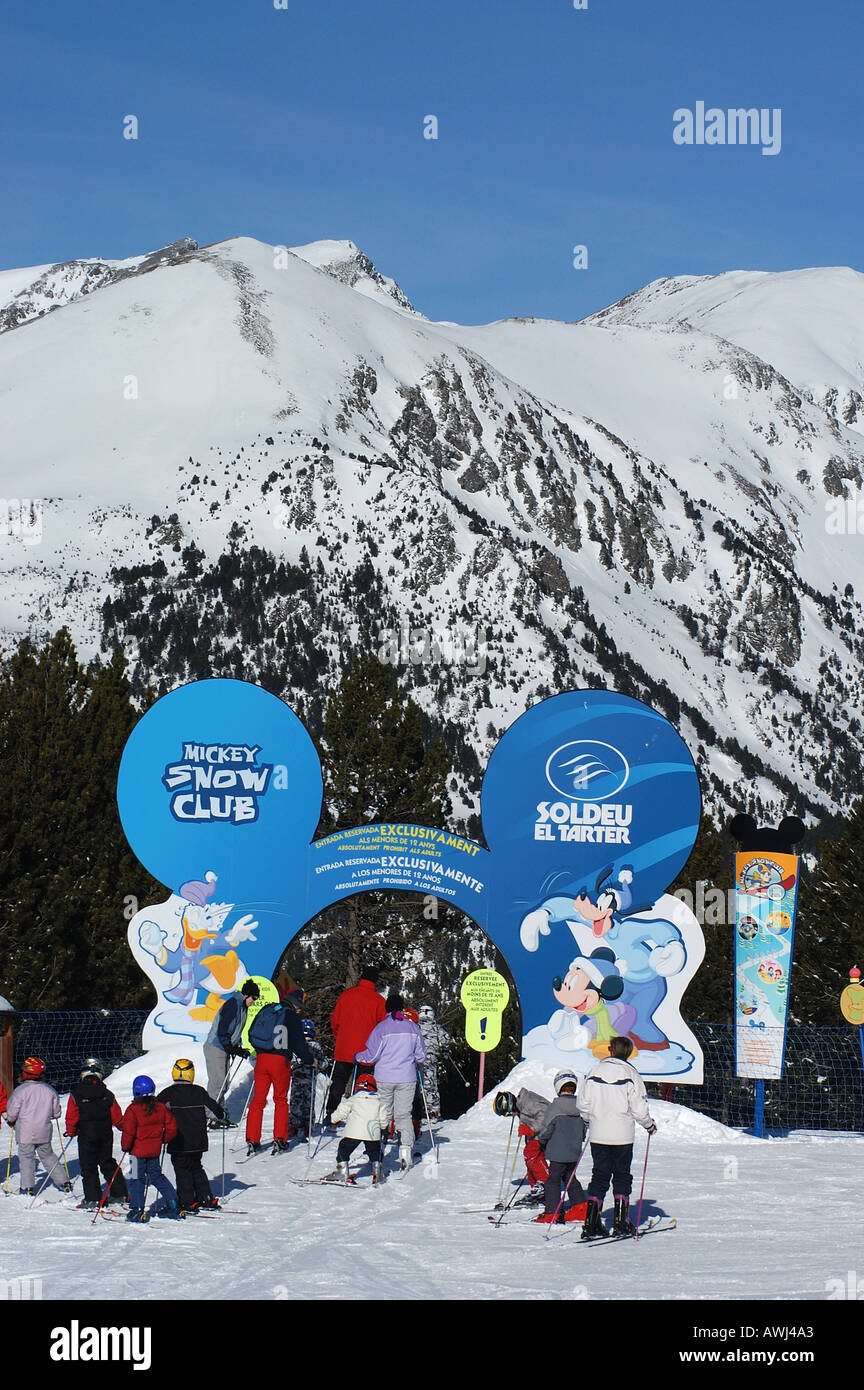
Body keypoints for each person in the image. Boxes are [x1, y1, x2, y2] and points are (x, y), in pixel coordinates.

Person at [578, 1035, 656, 1239]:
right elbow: (638, 1107)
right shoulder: (631, 1073)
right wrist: (648, 1124)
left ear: (611, 1050)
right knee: (622, 1175)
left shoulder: (595, 1070)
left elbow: (583, 1103)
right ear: (628, 1052)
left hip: (598, 1133)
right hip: (622, 1135)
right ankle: (622, 1222)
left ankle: (591, 1222)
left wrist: (589, 1119)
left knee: (600, 1175)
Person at [355, 995, 426, 1169]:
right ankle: (406, 1151)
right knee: (404, 1115)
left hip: (384, 1077)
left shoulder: (381, 1028)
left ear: (387, 1008)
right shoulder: (412, 1027)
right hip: (407, 1078)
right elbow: (421, 1056)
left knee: (383, 1115)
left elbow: (371, 1056)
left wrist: (357, 1057)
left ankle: (378, 1150)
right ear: (402, 1008)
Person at [245, 988, 313, 1155]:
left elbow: (251, 1032)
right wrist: (310, 1060)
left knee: (257, 1101)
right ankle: (280, 1140)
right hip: (280, 1060)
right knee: (280, 1100)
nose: (299, 1009)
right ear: (296, 1003)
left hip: (262, 1059)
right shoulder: (291, 1016)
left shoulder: (268, 1009)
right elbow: (298, 1043)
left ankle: (252, 1140)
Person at [157, 1058, 225, 1213]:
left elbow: (155, 1111)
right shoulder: (199, 1092)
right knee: (196, 1167)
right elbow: (216, 1113)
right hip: (197, 1141)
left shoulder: (168, 1093)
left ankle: (187, 1201)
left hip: (177, 1141)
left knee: (182, 1171)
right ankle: (205, 1197)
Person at [64, 1058, 129, 1208]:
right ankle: (120, 1193)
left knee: (88, 1165)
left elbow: (72, 1116)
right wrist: (124, 1127)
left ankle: (93, 1198)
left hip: (86, 1135)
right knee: (107, 1162)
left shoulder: (76, 1094)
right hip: (105, 1134)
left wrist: (71, 1130)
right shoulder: (107, 1094)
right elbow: (117, 1117)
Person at [324, 968, 386, 1124]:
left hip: (344, 1048)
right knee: (363, 1085)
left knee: (338, 1083)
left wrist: (340, 1038)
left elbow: (335, 1022)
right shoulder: (379, 1001)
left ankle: (331, 1114)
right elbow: (382, 1028)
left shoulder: (347, 995)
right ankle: (360, 1117)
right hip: (366, 1051)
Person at [4, 1057, 71, 1196]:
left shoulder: (21, 1091)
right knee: (48, 1156)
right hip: (44, 1131)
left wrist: (10, 1119)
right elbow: (56, 1113)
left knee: (26, 1159)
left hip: (25, 1132)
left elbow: (12, 1112)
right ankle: (63, 1182)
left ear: (26, 1073)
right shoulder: (50, 1090)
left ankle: (27, 1187)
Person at [121, 1075, 180, 1221]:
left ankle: (137, 1209)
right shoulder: (160, 1107)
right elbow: (172, 1126)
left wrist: (125, 1146)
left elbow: (128, 1131)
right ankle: (173, 1203)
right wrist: (163, 1139)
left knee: (136, 1178)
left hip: (136, 1152)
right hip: (154, 1151)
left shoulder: (132, 1110)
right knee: (157, 1177)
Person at [533, 1070, 588, 1225]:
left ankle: (552, 1212)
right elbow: (584, 1129)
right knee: (570, 1177)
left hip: (557, 1153)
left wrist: (542, 1142)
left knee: (553, 1181)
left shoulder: (556, 1106)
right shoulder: (580, 1107)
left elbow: (546, 1129)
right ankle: (580, 1207)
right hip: (573, 1151)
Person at [203, 978, 260, 1119]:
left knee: (224, 1083)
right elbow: (223, 1028)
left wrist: (236, 1047)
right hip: (216, 1046)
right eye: (253, 998)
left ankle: (219, 1112)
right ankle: (210, 1114)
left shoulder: (242, 1007)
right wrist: (228, 1045)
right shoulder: (233, 1004)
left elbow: (236, 1029)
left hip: (224, 1047)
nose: (254, 1001)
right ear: (246, 995)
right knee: (218, 1082)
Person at [326, 1074, 390, 1184]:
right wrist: (384, 1128)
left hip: (353, 1133)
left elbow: (341, 1112)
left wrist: (332, 1119)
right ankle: (377, 1171)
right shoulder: (379, 1102)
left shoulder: (352, 1100)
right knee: (375, 1151)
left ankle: (342, 1170)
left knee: (344, 1149)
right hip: (372, 1133)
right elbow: (383, 1118)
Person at [288, 1020, 326, 1139]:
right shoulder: (316, 1046)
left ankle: (294, 1124)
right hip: (310, 1078)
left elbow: (290, 1060)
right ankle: (308, 1125)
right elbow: (322, 1062)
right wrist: (320, 1065)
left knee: (296, 1101)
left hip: (298, 1077)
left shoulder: (295, 1043)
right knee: (308, 1102)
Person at [416, 1003, 450, 1121]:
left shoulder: (415, 1026)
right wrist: (445, 1050)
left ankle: (414, 1111)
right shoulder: (436, 1027)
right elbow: (445, 1038)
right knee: (430, 1085)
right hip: (430, 1060)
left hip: (415, 1060)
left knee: (414, 1085)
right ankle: (433, 1111)